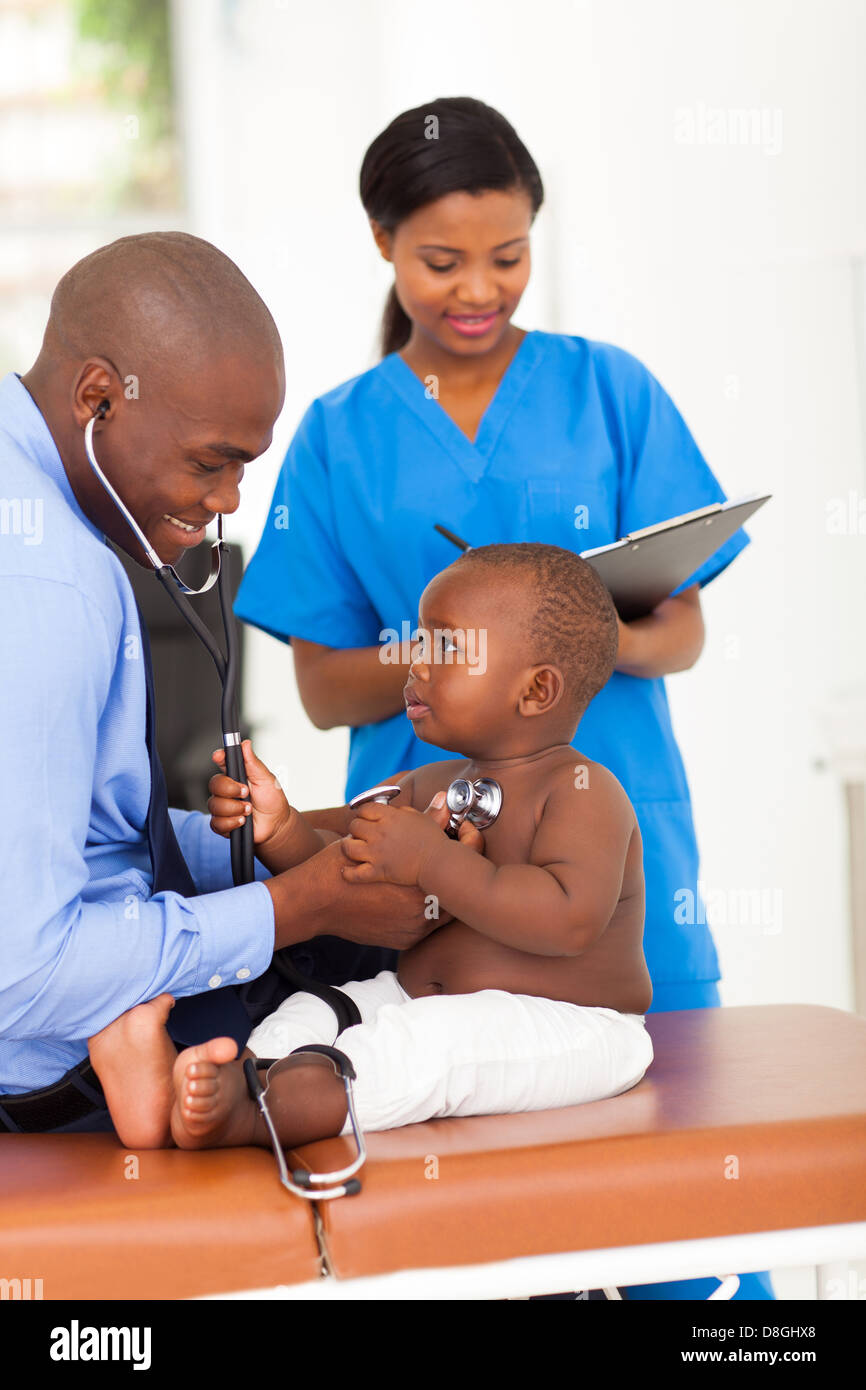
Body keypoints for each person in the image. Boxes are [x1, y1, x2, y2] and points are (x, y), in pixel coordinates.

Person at [233, 98, 774, 1300]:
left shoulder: (610, 390)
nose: (478, 290)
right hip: (429, 862)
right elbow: (321, 685)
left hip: (615, 826)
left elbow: (680, 630)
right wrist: (459, 655)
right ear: (382, 243)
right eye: (440, 262)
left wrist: (564, 632)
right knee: (453, 1207)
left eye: (509, 256)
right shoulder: (338, 434)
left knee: (681, 1202)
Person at [0, 232, 441, 1135]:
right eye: (210, 462)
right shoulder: (50, 583)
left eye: (246, 464)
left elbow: (76, 836)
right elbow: (23, 972)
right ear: (97, 398)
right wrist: (295, 905)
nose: (231, 499)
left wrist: (291, 839)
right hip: (52, 1082)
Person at [88, 544, 654, 1151]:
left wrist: (433, 860)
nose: (416, 661)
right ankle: (226, 1086)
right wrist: (280, 829)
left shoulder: (582, 791)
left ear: (537, 690)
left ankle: (253, 1117)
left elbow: (569, 920)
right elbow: (344, 865)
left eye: (447, 646)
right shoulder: (432, 785)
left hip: (570, 1025)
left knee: (421, 1052)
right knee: (315, 1011)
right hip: (416, 1000)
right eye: (419, 640)